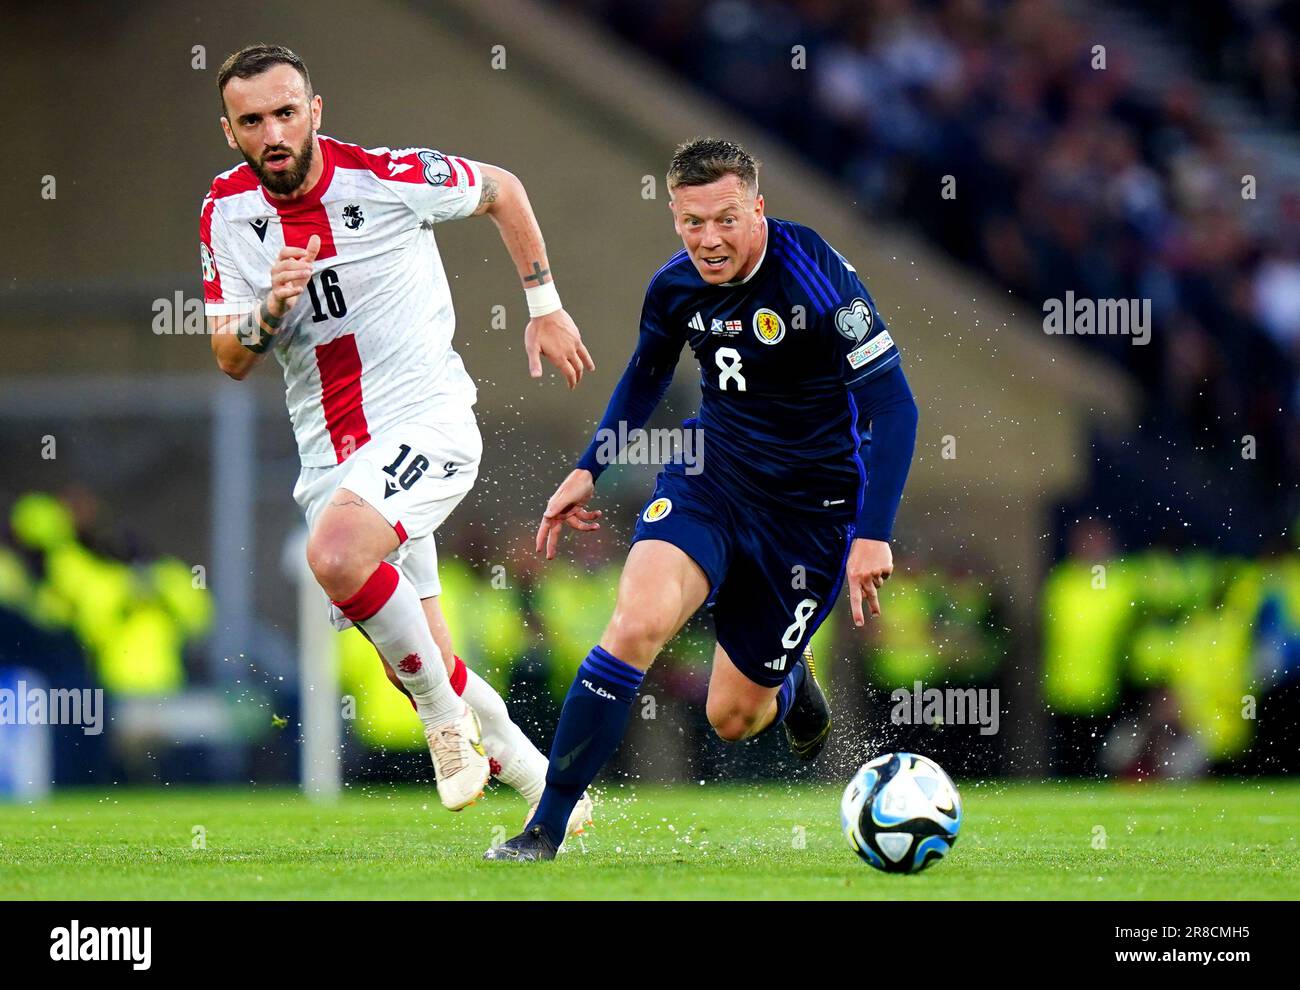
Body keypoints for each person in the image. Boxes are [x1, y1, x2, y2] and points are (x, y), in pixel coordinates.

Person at [486, 138, 918, 861]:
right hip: (710, 479)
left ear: (758, 207)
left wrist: (873, 535)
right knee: (634, 624)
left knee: (731, 717)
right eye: (692, 223)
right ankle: (545, 828)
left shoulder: (815, 277)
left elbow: (895, 407)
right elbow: (647, 372)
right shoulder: (675, 285)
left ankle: (785, 682)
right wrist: (589, 468)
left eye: (724, 220)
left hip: (811, 518)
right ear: (674, 215)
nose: (709, 241)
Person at [202, 43, 593, 831]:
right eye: (253, 121)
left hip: (427, 421)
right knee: (410, 652)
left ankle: (446, 726)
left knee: (337, 557)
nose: (273, 132)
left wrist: (543, 304)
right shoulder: (226, 212)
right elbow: (229, 355)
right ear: (230, 131)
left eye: (286, 113)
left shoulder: (385, 178)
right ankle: (537, 776)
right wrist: (270, 311)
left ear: (315, 112)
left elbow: (502, 190)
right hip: (332, 459)